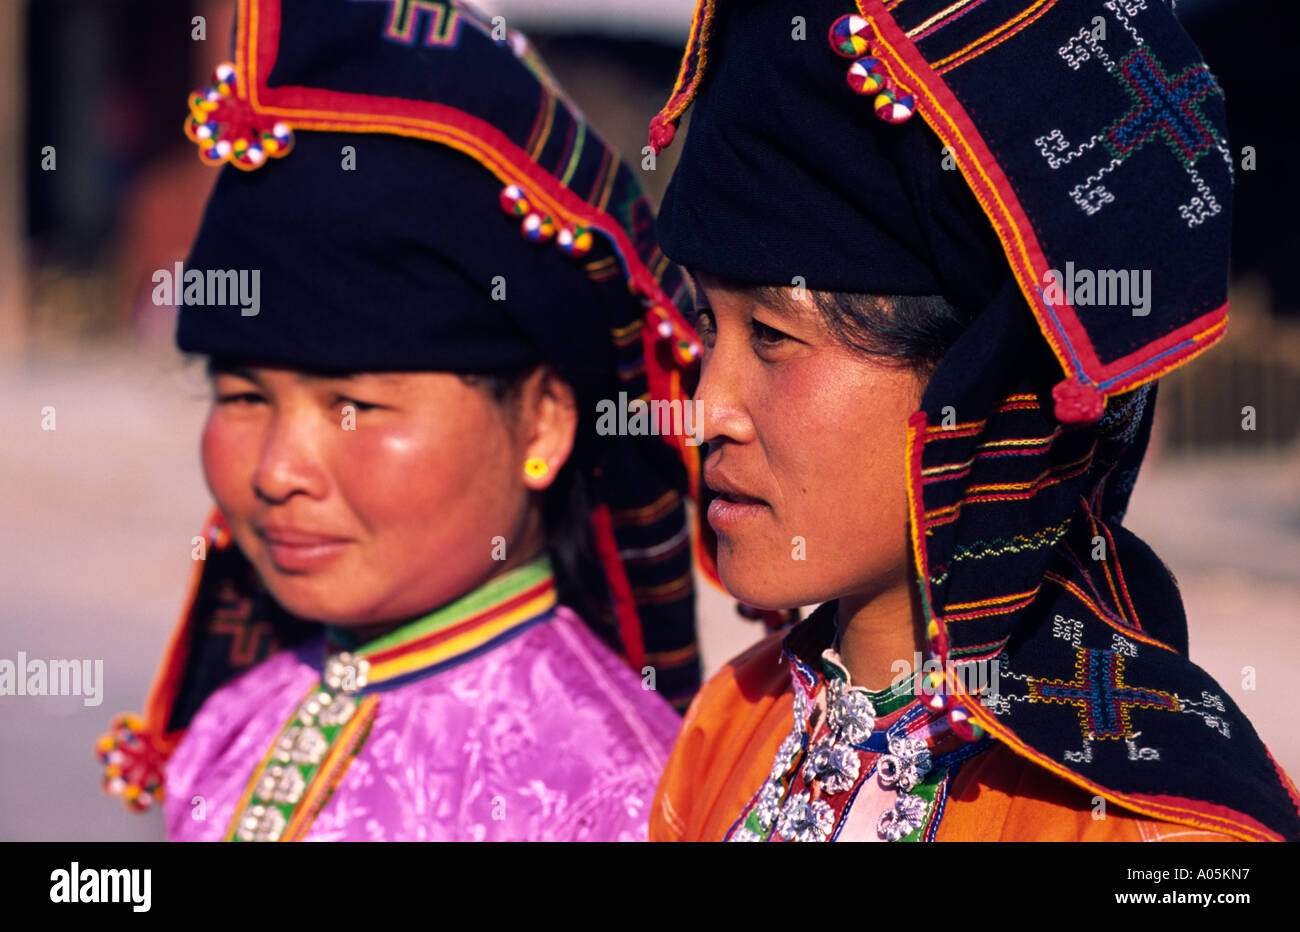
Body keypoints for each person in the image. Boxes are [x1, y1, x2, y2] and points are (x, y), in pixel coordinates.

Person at [644, 0, 1300, 841]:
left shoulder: (1160, 834)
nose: (704, 410)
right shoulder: (727, 728)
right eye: (706, 324)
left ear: (976, 384)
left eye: (773, 336)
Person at [94, 0, 707, 842]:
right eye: (242, 397)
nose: (278, 470)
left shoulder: (603, 789)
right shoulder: (235, 721)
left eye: (354, 406)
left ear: (542, 426)